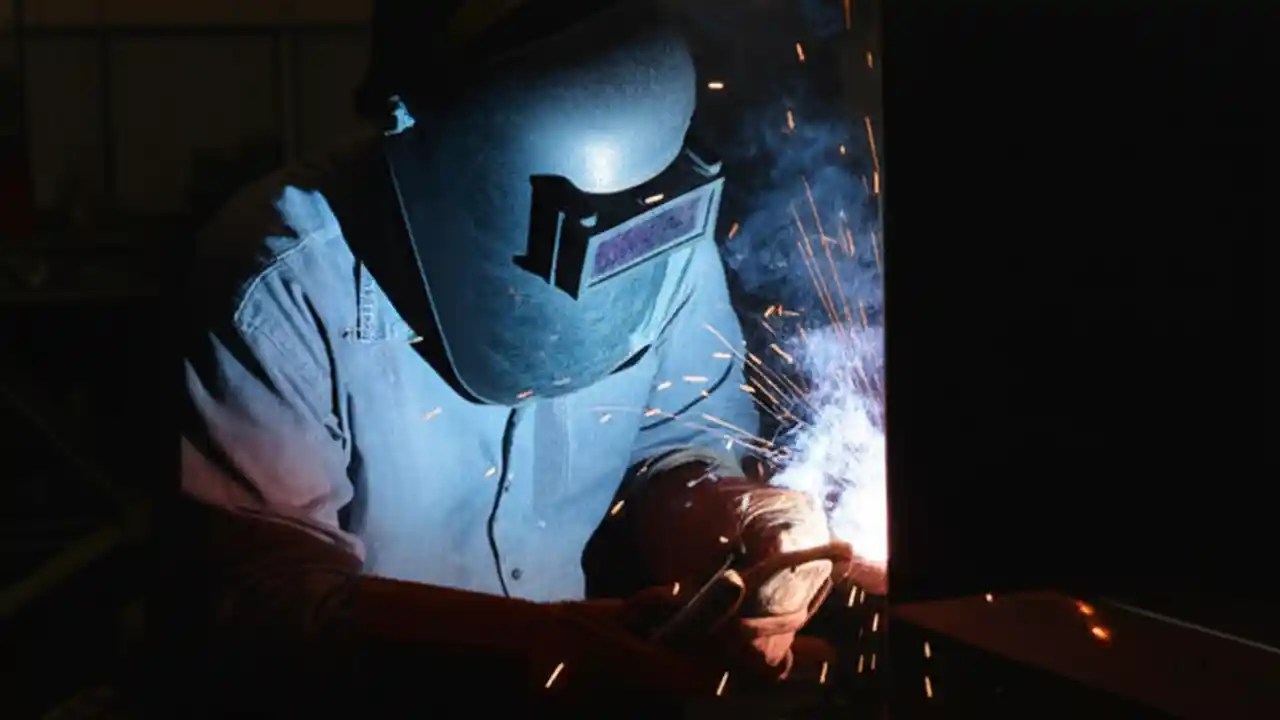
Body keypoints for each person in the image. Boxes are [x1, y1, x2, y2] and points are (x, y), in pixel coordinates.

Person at [174, 1, 852, 714]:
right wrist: (540, 642)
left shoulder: (666, 238)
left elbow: (677, 449)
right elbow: (272, 602)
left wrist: (736, 525)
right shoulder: (281, 284)